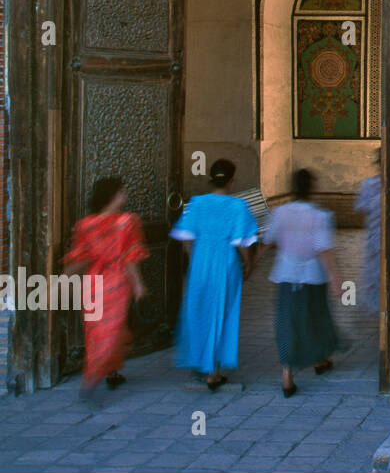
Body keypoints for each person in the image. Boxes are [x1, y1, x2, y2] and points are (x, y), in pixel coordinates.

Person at [170, 159, 259, 390]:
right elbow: (243, 242)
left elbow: (187, 237)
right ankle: (214, 371)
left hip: (202, 261)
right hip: (226, 263)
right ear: (232, 180)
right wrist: (248, 264)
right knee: (222, 313)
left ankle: (203, 362)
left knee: (200, 310)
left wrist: (193, 259)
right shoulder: (238, 206)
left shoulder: (197, 203)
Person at [64, 177, 148, 402]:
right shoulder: (128, 221)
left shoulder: (85, 224)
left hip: (92, 282)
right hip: (116, 281)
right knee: (111, 330)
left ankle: (111, 372)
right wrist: (139, 284)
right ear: (112, 195)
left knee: (96, 330)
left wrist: (64, 278)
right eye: (122, 191)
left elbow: (80, 257)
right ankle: (91, 379)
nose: (125, 195)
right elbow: (130, 258)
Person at [263, 168, 341, 398]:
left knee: (286, 323)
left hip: (286, 274)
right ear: (312, 188)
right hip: (313, 276)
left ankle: (287, 375)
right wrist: (336, 279)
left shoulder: (280, 213)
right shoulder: (320, 216)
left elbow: (267, 242)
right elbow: (324, 249)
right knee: (316, 318)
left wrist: (251, 266)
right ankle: (319, 359)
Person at [354, 149, 381, 315]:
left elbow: (363, 208)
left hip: (376, 236)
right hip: (378, 236)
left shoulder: (369, 185)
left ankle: (380, 306)